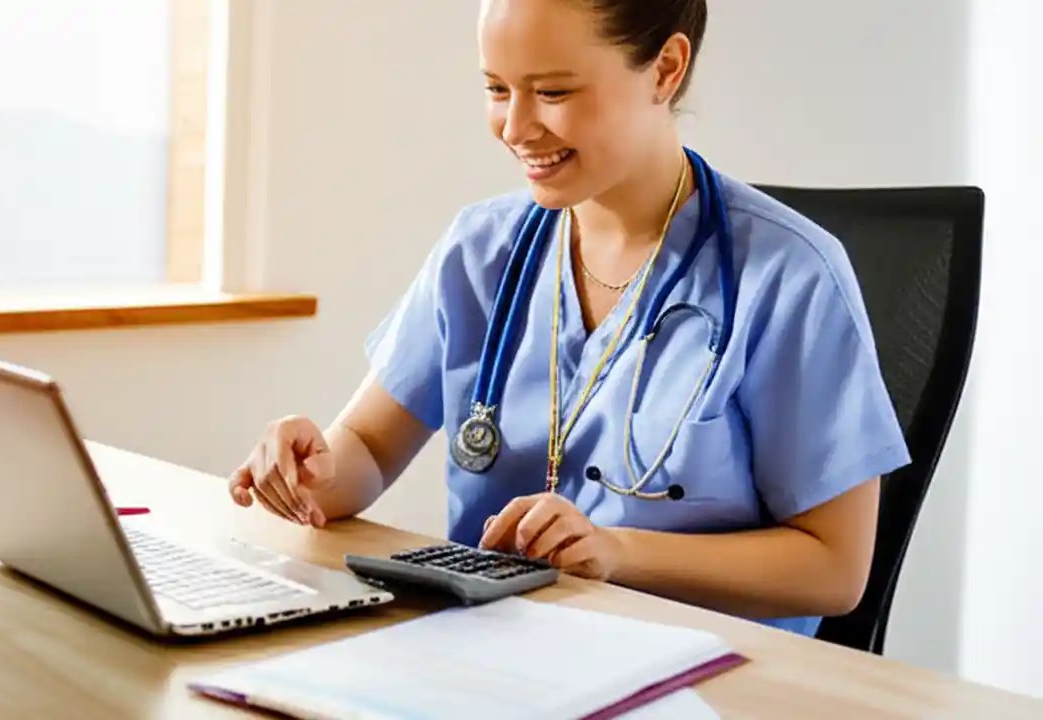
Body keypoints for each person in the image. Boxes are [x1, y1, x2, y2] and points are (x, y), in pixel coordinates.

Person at [227, 0, 910, 637]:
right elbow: (369, 450)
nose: (516, 128)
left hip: (702, 675)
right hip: (498, 659)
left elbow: (834, 569)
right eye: (498, 89)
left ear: (665, 70)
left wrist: (616, 551)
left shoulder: (789, 278)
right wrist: (310, 468)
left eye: (552, 92)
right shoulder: (481, 252)